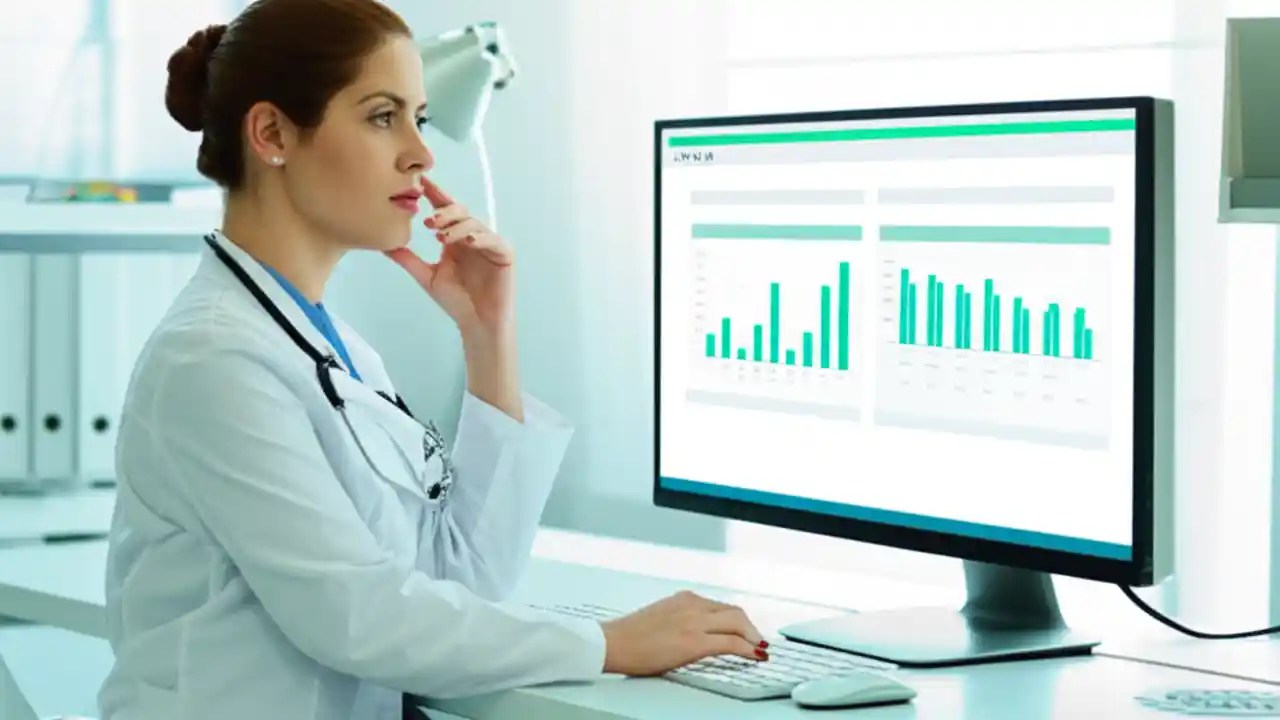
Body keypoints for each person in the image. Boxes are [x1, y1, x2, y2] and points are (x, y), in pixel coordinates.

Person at [97, 0, 768, 718]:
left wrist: (487, 338)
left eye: (418, 117)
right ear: (272, 134)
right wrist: (607, 643)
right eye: (384, 116)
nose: (421, 153)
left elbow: (466, 582)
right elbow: (359, 616)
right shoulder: (214, 361)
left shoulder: (336, 349)